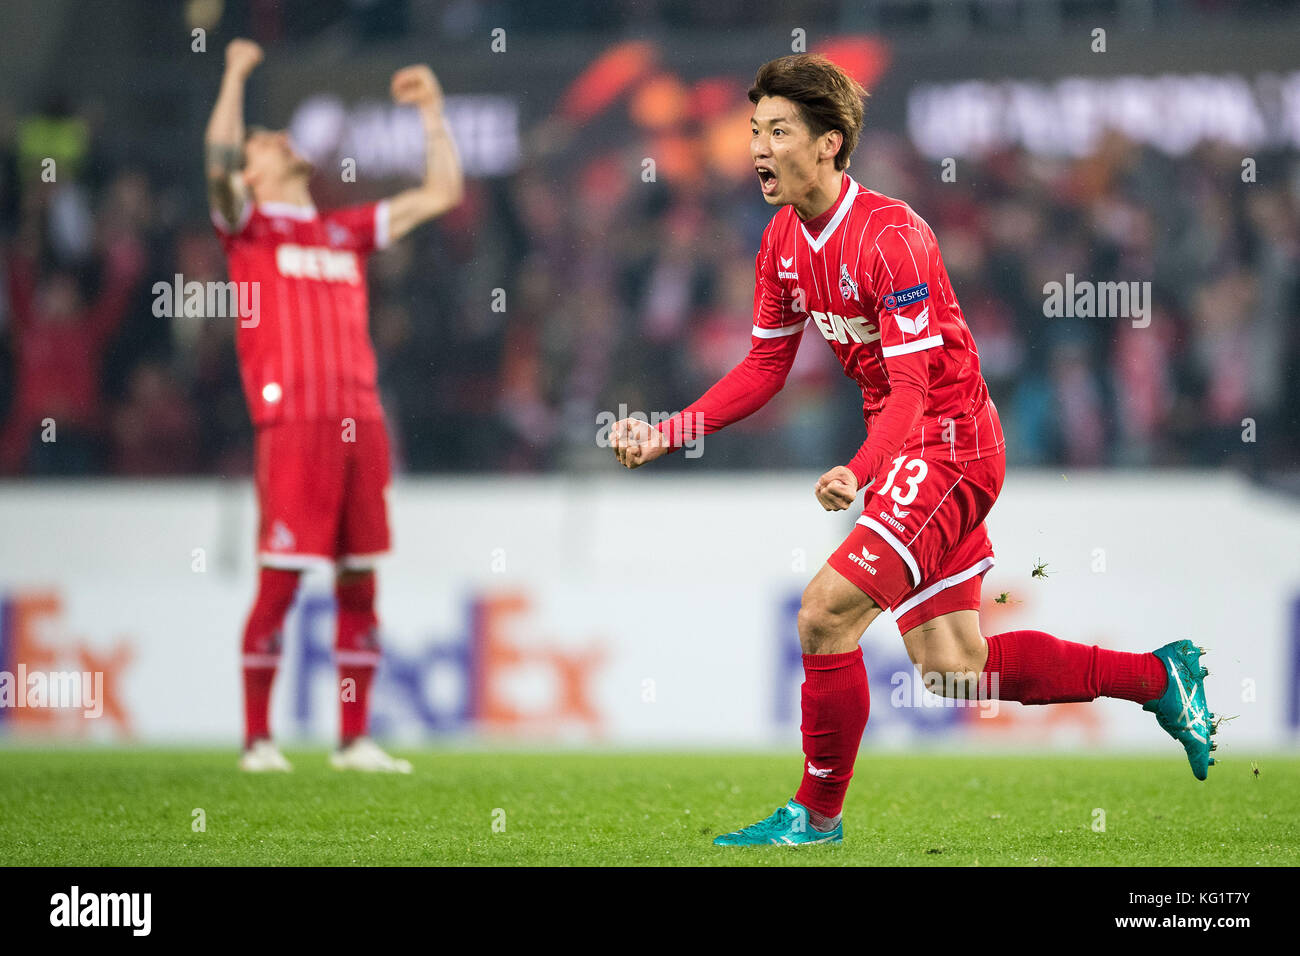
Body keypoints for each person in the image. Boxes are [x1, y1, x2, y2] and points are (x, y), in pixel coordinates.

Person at [610, 54, 1216, 846]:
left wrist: (859, 472)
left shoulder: (893, 237)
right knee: (954, 663)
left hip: (951, 445)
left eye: (778, 131)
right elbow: (765, 366)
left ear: (828, 144)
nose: (758, 147)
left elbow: (912, 390)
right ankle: (1159, 676)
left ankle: (816, 816)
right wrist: (670, 431)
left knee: (825, 614)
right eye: (754, 130)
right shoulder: (781, 244)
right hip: (915, 452)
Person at [205, 38, 463, 772]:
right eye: (260, 138)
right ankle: (258, 740)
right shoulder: (247, 227)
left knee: (361, 579)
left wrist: (433, 114)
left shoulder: (339, 231)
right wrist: (234, 73)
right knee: (281, 581)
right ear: (252, 171)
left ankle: (353, 739)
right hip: (293, 426)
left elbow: (439, 194)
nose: (270, 137)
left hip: (362, 422)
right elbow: (218, 161)